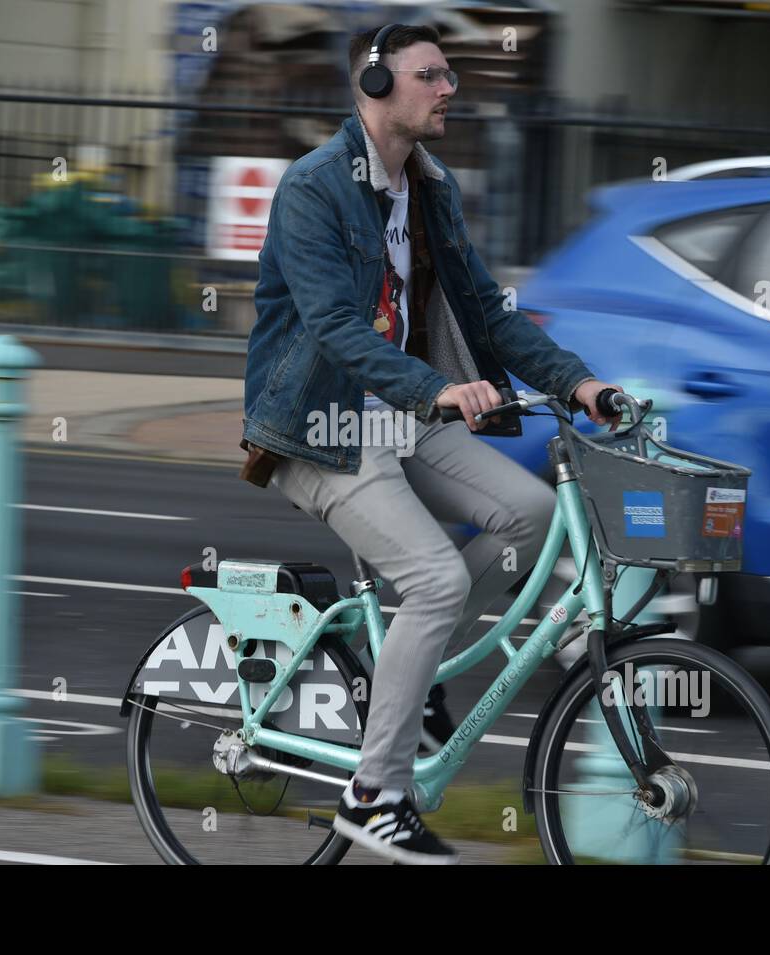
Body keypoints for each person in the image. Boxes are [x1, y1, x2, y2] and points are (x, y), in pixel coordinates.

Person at [237, 23, 621, 864]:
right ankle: (372, 796)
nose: (450, 88)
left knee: (526, 515)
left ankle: (413, 681)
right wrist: (437, 388)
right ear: (376, 85)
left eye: (450, 74)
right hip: (320, 427)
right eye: (432, 74)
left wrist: (579, 382)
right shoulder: (312, 189)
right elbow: (335, 326)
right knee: (437, 576)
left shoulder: (431, 188)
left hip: (400, 418)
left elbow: (490, 314)